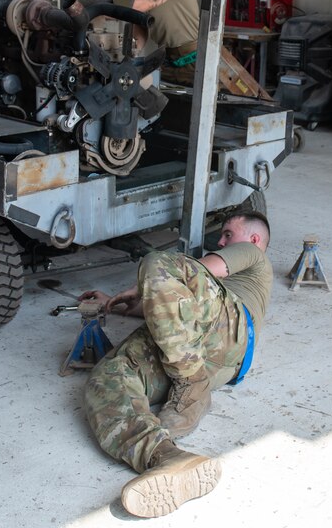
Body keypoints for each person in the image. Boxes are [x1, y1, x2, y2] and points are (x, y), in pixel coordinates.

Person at [80, 211, 273, 518]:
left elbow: (191, 270)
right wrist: (118, 302)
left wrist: (145, 282)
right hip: (196, 355)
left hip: (228, 332)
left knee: (157, 261)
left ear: (253, 239)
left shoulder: (253, 255)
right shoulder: (204, 290)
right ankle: (165, 456)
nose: (221, 242)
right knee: (107, 377)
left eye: (228, 235)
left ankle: (191, 384)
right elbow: (171, 305)